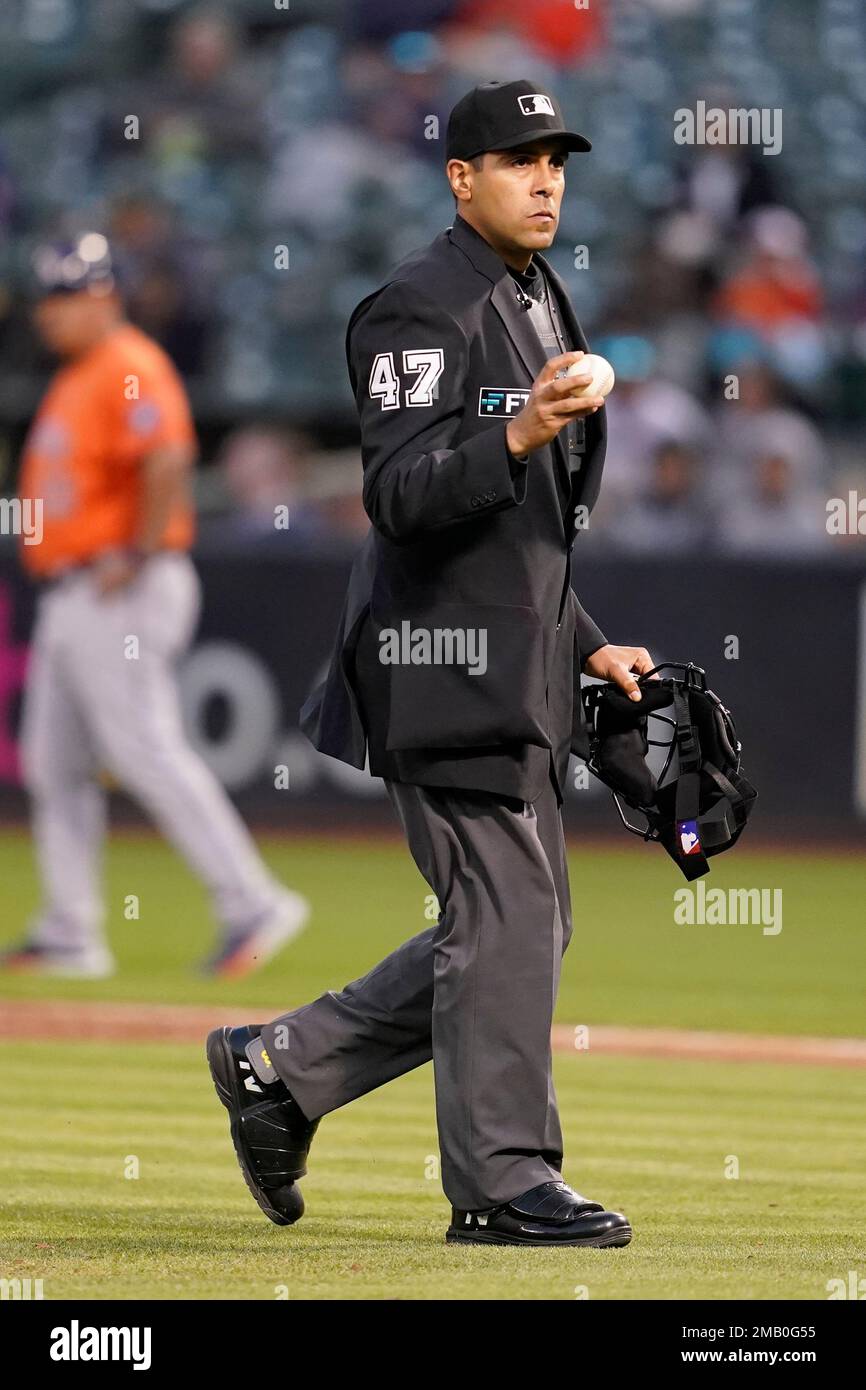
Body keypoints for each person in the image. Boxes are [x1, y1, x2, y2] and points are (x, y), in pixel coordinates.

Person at [208, 80, 656, 1247]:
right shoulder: (418, 303)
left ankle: (281, 1067)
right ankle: (503, 1184)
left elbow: (527, 539)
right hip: (439, 666)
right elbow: (399, 494)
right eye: (516, 159)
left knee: (516, 924)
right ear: (460, 178)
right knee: (506, 917)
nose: (545, 177)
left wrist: (593, 644)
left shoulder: (535, 293)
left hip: (512, 662)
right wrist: (512, 432)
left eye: (555, 158)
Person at [2, 233, 308, 979]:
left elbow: (168, 455)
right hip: (74, 590)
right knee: (53, 762)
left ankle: (253, 901)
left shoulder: (130, 365)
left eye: (66, 297)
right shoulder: (77, 377)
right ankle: (71, 928)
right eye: (48, 297)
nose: (51, 313)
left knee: (144, 748)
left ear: (105, 295)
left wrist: (135, 552)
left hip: (126, 584)